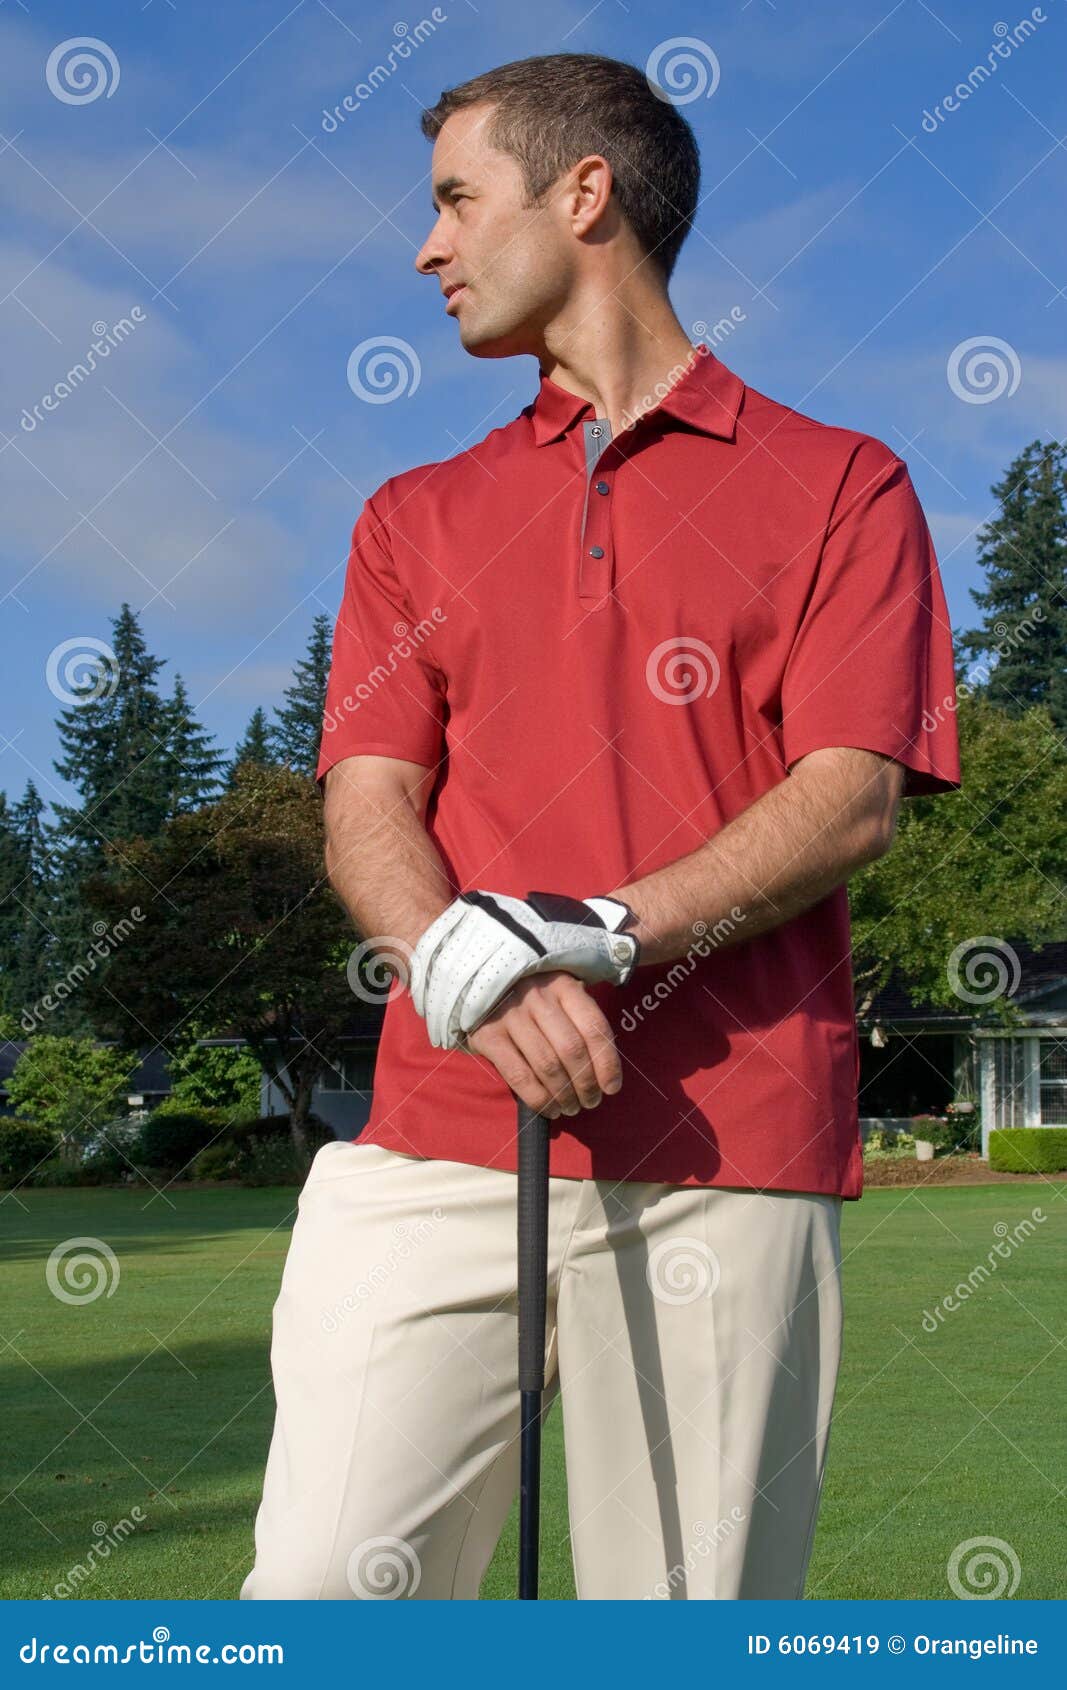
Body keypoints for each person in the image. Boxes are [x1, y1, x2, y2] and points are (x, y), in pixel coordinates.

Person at [241, 51, 960, 1601]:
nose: (423, 248)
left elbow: (850, 797)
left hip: (729, 1151)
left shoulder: (844, 485)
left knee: (680, 1629)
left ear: (585, 195)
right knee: (315, 1597)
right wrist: (465, 957)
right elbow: (370, 796)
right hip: (432, 1137)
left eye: (452, 198)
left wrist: (599, 927)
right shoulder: (410, 515)